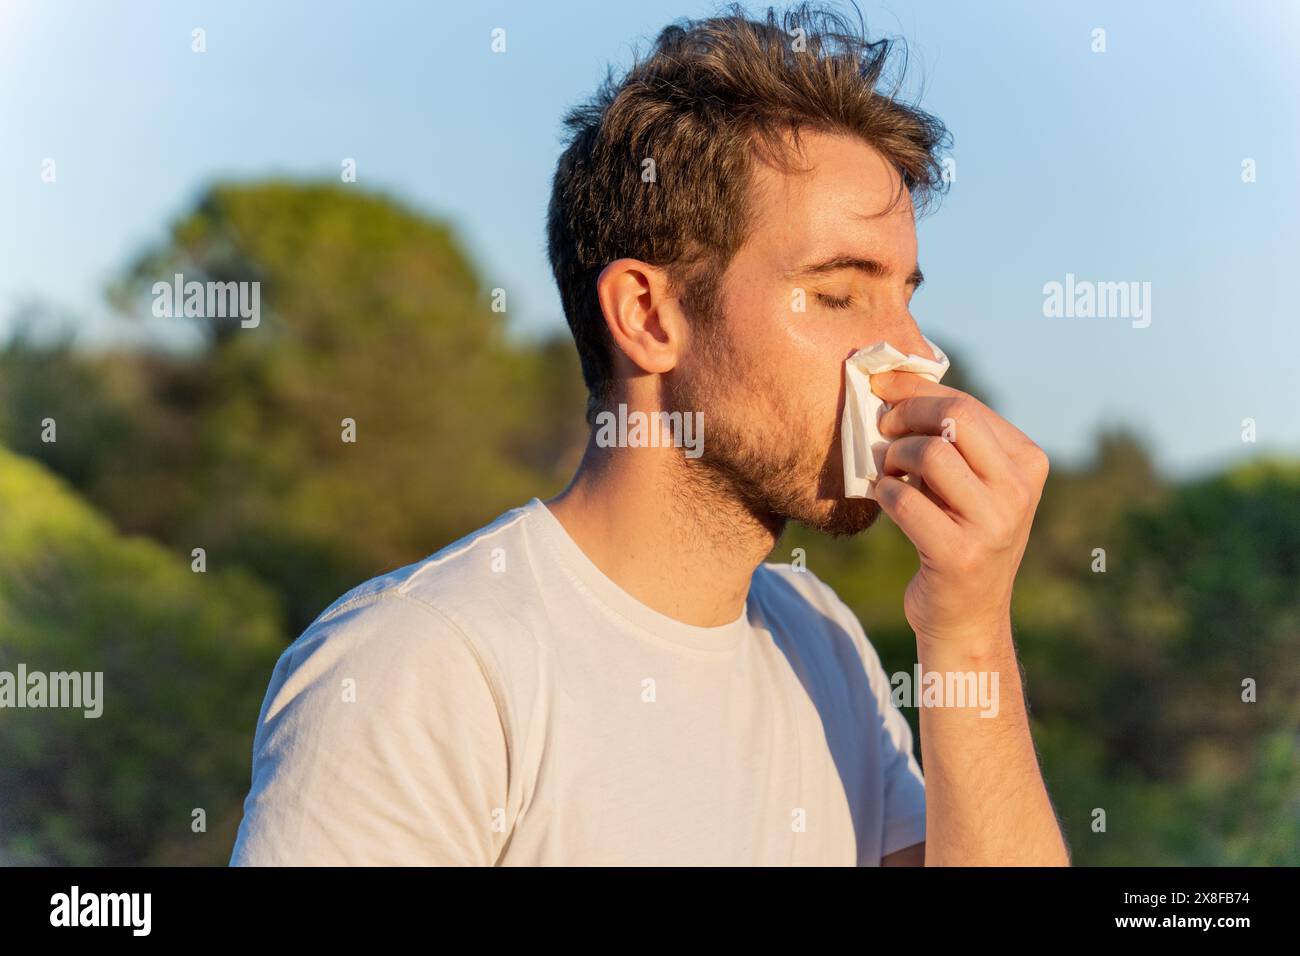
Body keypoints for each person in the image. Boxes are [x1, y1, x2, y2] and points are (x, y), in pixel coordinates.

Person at [230, 2, 1069, 866]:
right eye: (838, 292)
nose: (918, 354)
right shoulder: (423, 666)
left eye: (907, 295)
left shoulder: (823, 641)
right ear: (646, 315)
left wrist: (968, 630)